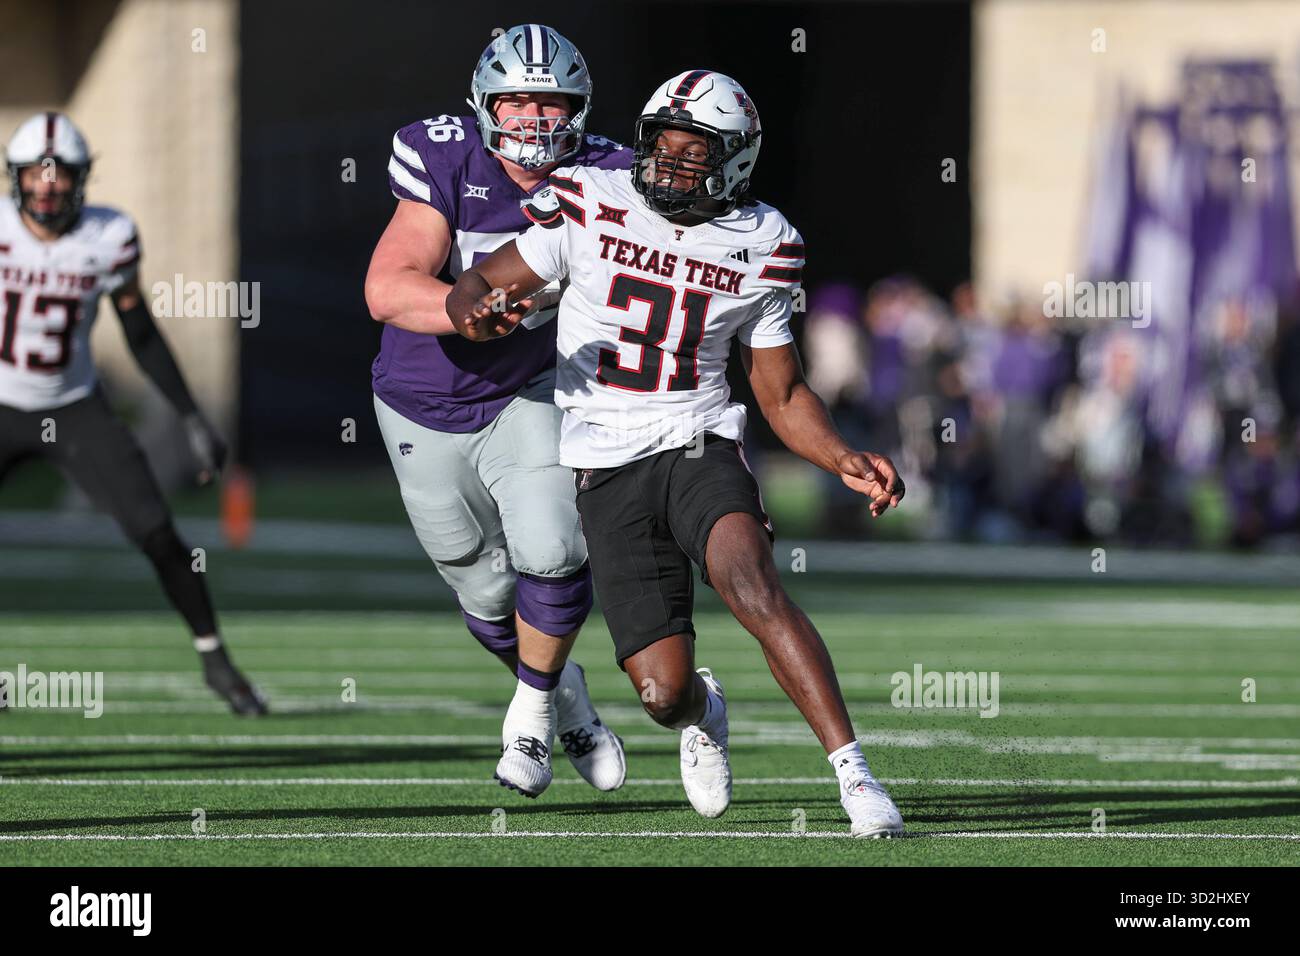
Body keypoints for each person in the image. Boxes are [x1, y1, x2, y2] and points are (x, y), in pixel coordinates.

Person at [446, 71, 908, 836]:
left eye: (694, 154)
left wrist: (841, 457)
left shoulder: (764, 242)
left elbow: (782, 393)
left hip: (697, 441)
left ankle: (856, 778)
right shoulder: (591, 197)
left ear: (733, 161)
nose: (671, 165)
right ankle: (705, 710)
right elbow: (482, 285)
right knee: (662, 695)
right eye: (662, 147)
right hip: (605, 464)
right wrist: (477, 314)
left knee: (749, 580)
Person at [364, 25, 631, 797]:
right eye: (517, 100)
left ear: (580, 108)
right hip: (420, 399)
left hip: (532, 389)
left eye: (552, 102)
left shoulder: (612, 174)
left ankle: (530, 719)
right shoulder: (444, 156)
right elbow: (387, 286)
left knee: (551, 548)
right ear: (485, 104)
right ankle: (568, 698)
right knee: (483, 594)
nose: (535, 119)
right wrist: (463, 309)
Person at [0, 112, 265, 716]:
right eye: (36, 178)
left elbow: (139, 331)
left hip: (73, 408)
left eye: (59, 177)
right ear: (15, 179)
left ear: (81, 179)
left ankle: (216, 660)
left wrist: (192, 416)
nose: (48, 189)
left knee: (157, 533)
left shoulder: (108, 235)